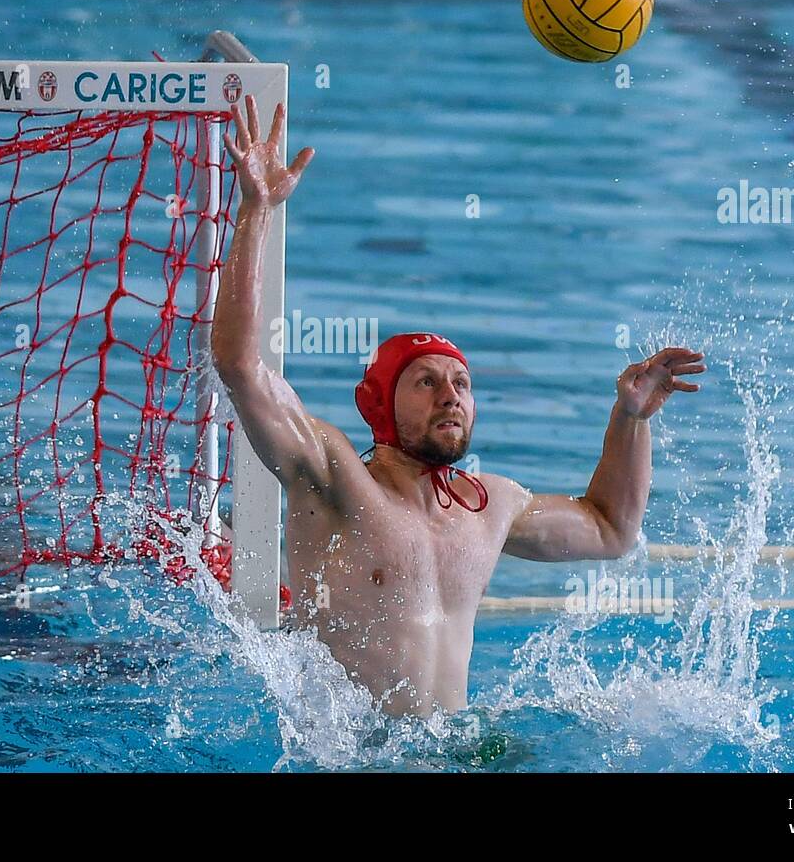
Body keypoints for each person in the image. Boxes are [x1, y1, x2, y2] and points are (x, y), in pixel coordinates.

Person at [211, 94, 705, 717]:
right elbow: (240, 367)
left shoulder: (489, 506)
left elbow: (613, 530)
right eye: (425, 382)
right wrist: (256, 212)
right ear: (381, 407)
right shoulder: (333, 475)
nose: (451, 395)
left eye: (462, 384)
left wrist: (630, 418)